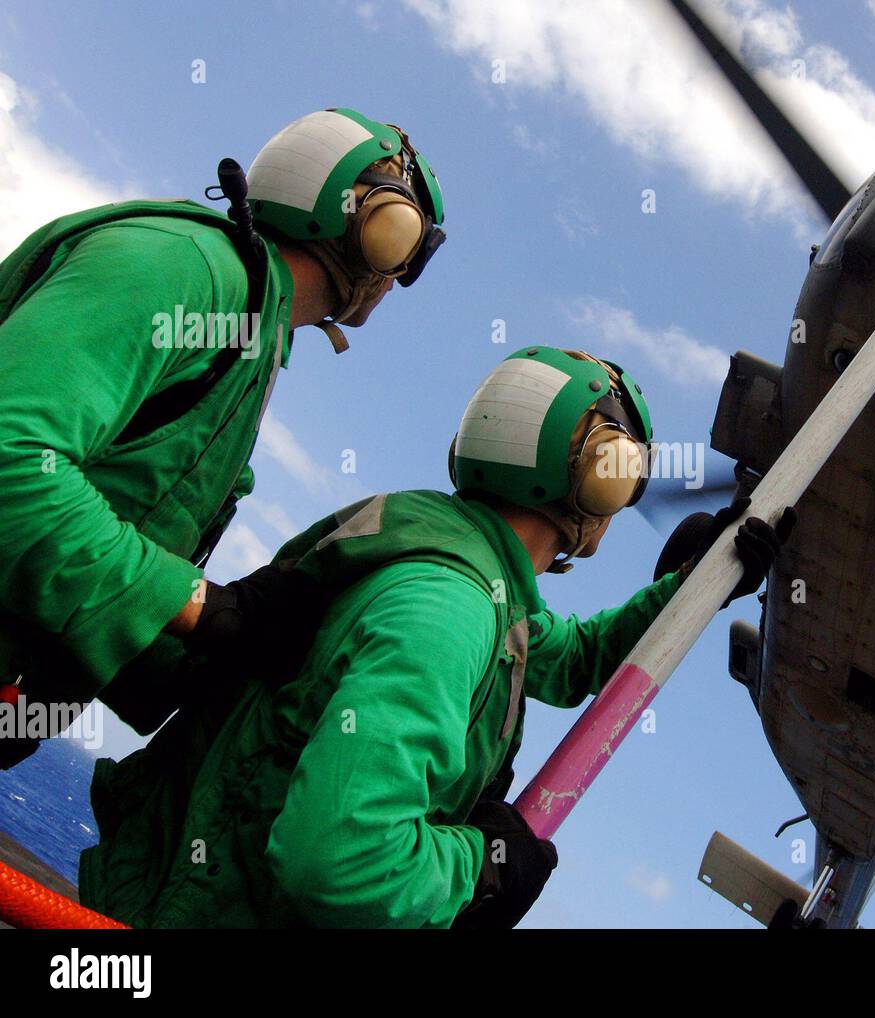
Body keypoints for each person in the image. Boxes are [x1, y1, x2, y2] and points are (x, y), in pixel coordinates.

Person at [78, 346, 795, 928]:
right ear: (599, 479)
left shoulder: (460, 574)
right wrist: (480, 867)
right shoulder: (448, 614)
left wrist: (687, 592)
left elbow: (571, 660)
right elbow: (337, 860)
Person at [0, 108, 446, 767]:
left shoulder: (244, 339)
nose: (399, 280)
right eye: (413, 252)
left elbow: (133, 529)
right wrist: (198, 607)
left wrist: (226, 667)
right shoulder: (184, 269)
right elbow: (13, 460)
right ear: (383, 229)